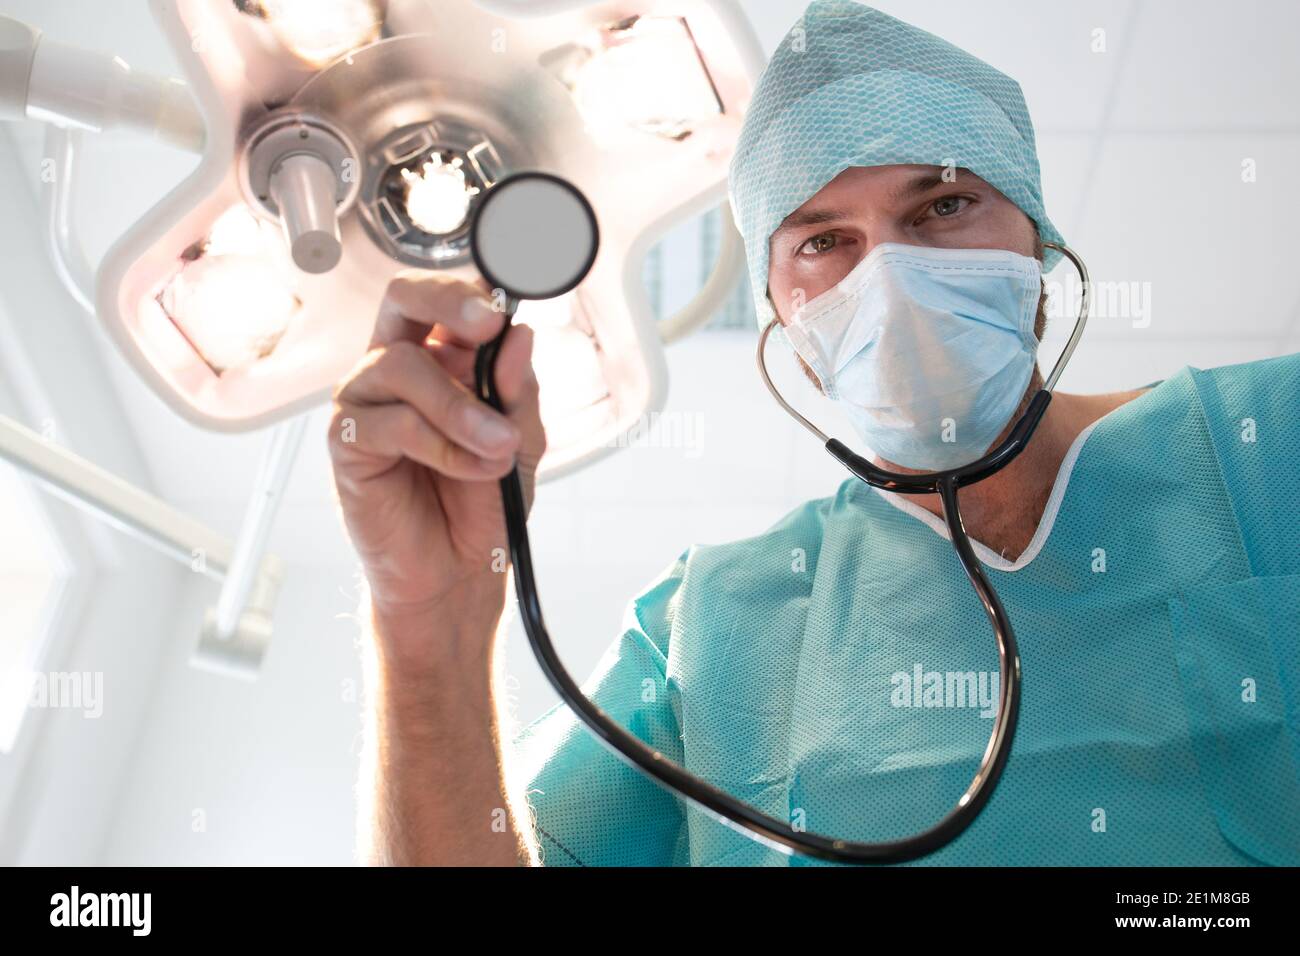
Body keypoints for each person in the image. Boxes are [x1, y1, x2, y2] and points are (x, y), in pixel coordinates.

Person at [329, 1, 1300, 866]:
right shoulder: (710, 627)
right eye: (824, 240)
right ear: (785, 328)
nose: (890, 276)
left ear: (1036, 248)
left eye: (943, 203)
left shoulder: (1268, 441)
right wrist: (429, 633)